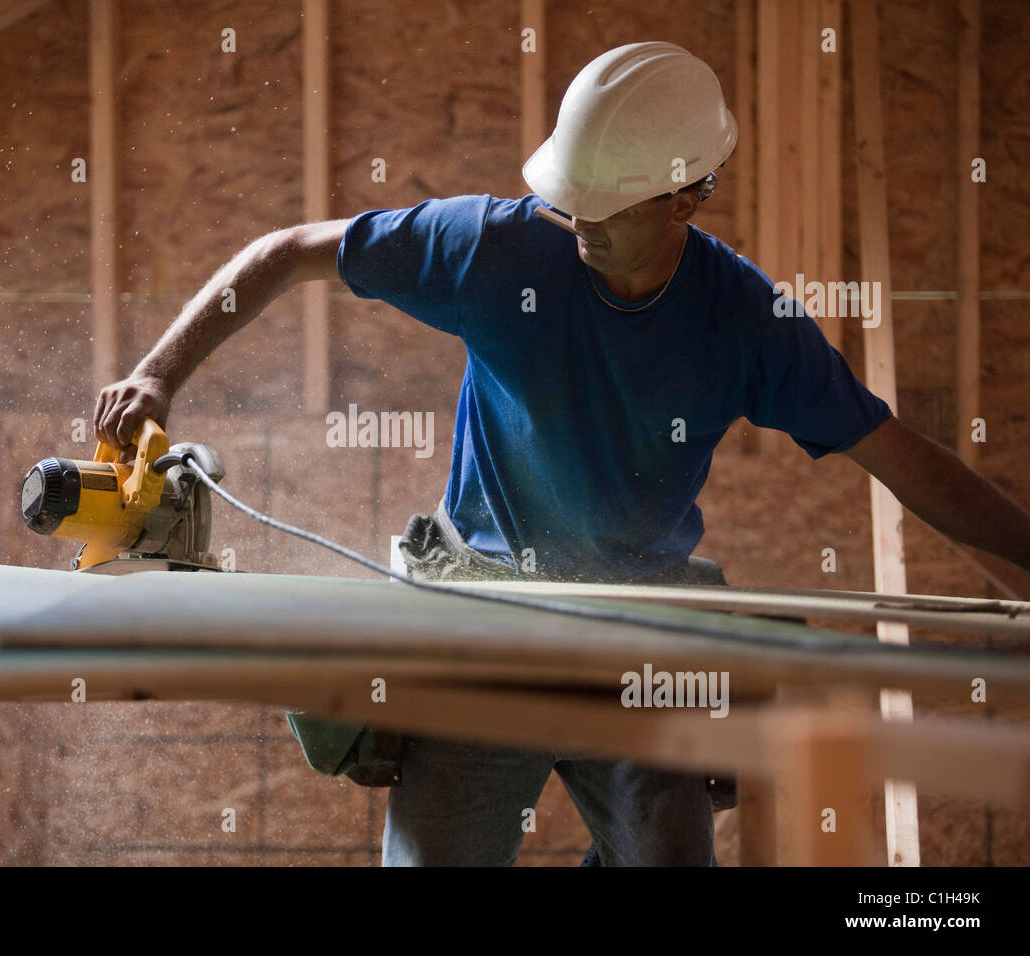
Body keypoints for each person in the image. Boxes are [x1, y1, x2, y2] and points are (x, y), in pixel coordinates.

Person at [94, 42, 1030, 866]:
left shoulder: (746, 322)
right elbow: (291, 249)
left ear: (687, 197)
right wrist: (156, 376)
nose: (576, 217)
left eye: (606, 204)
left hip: (639, 639)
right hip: (479, 626)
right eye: (567, 194)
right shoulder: (496, 248)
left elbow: (903, 459)